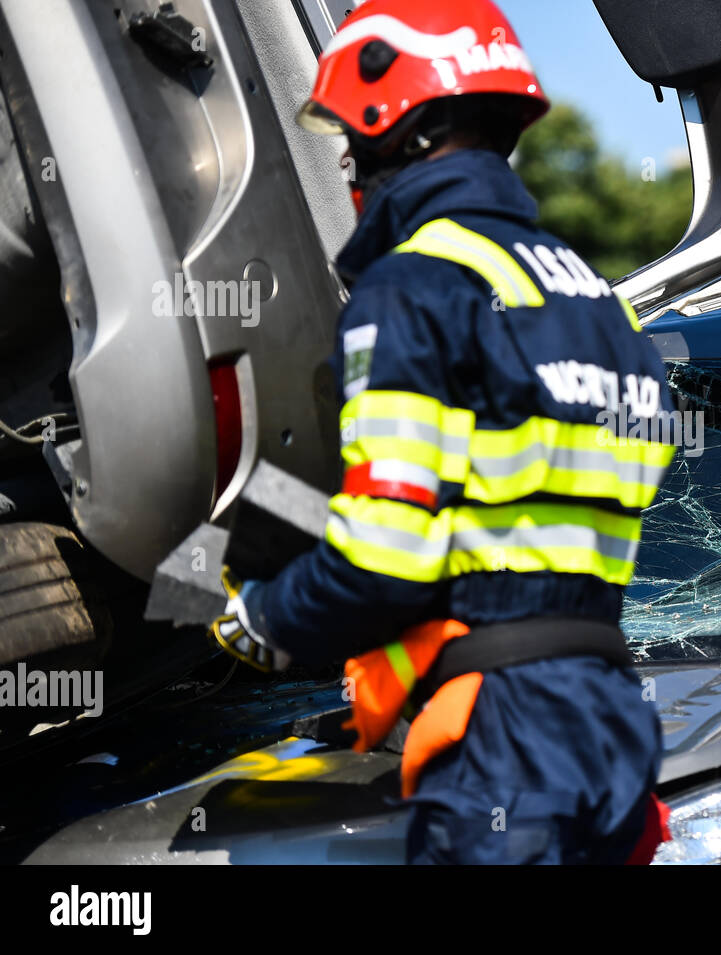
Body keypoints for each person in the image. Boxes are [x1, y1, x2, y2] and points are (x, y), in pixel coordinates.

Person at [206, 0, 676, 865]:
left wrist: (260, 616)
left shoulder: (416, 288)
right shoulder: (599, 302)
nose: (347, 162)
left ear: (401, 122)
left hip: (502, 736)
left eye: (353, 137)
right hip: (610, 722)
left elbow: (386, 556)